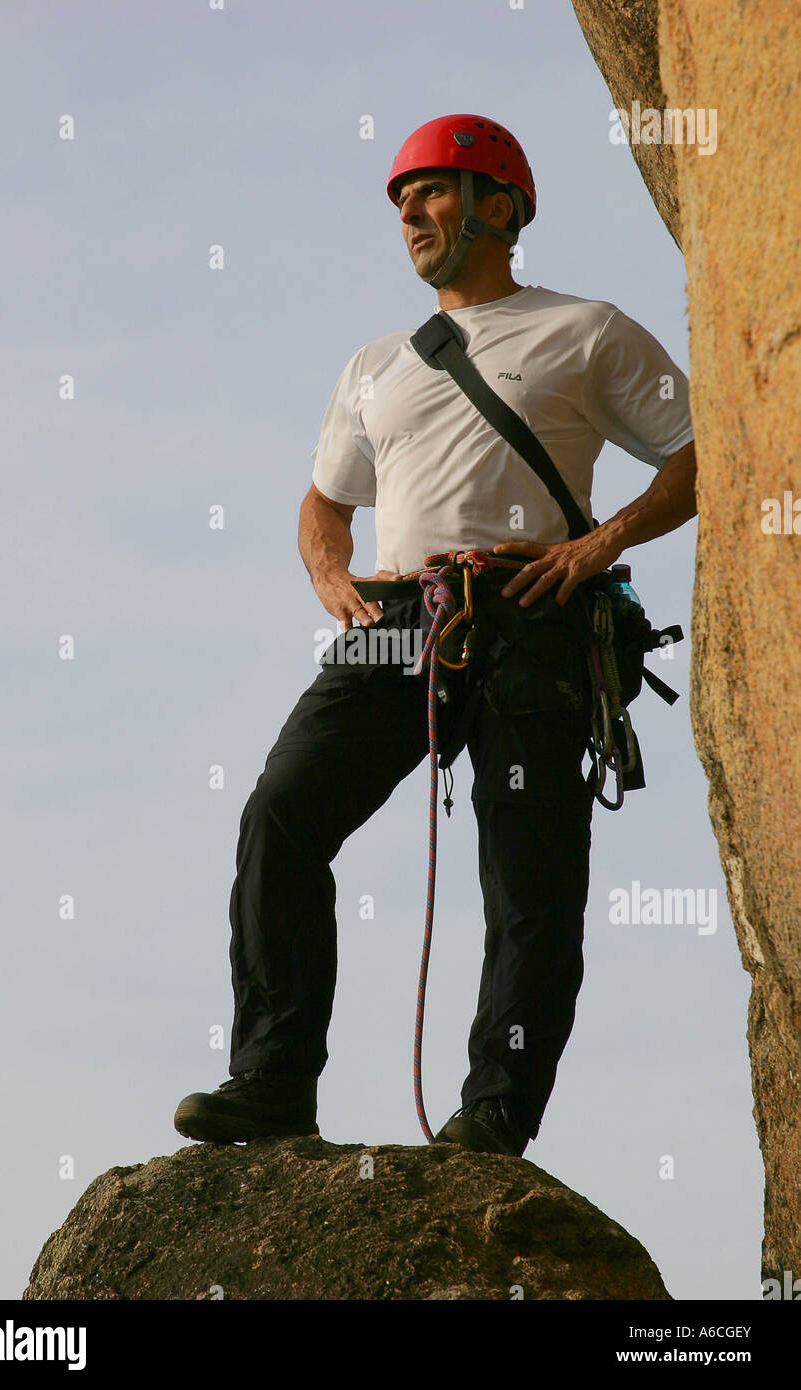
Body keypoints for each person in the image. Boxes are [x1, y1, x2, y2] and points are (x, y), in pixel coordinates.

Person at [174, 114, 697, 1156]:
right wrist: (330, 572)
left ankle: (492, 1116)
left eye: (433, 190)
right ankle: (272, 1081)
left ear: (499, 207)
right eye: (400, 198)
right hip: (402, 616)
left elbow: (700, 454)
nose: (408, 210)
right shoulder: (378, 364)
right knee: (280, 812)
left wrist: (599, 549)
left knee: (525, 871)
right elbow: (322, 504)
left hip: (533, 610)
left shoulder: (583, 330)